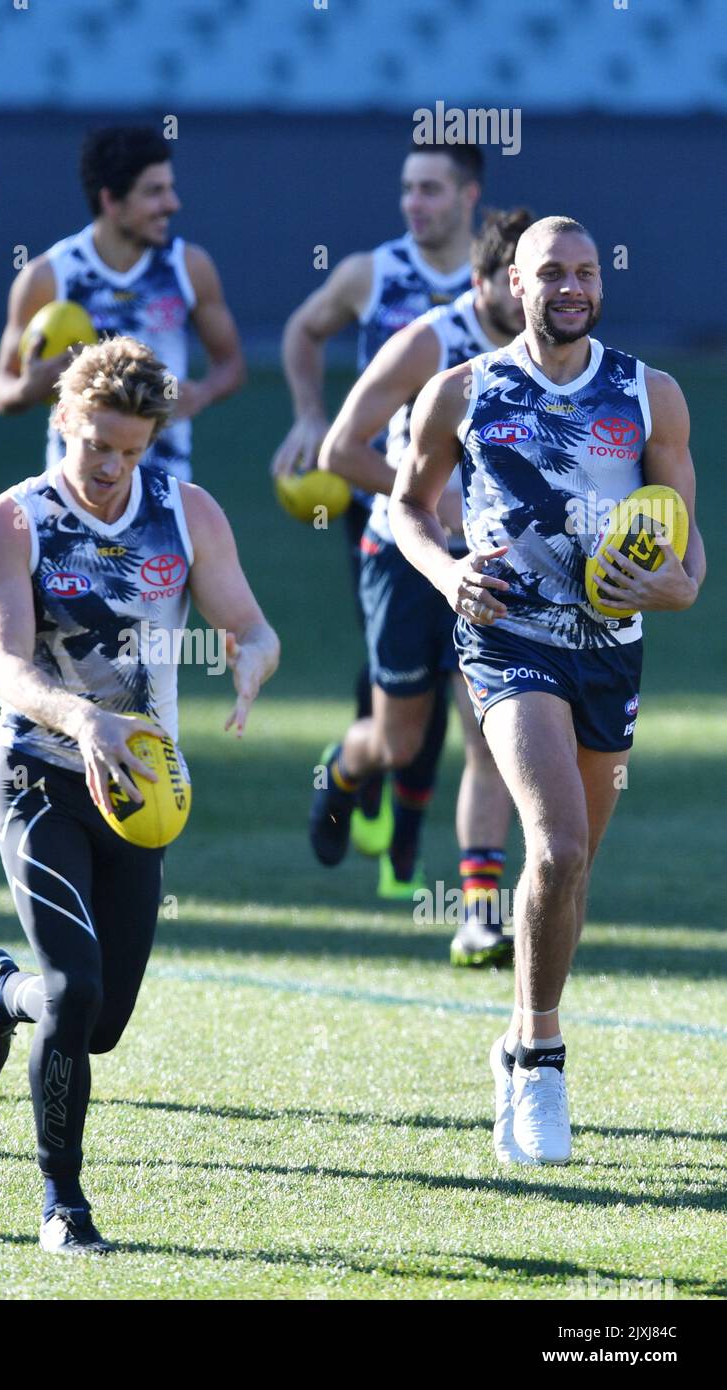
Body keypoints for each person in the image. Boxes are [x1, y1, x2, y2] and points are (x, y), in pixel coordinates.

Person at [389, 216, 704, 1163]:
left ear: (599, 287)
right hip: (506, 643)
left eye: (585, 272)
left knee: (570, 872)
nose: (570, 287)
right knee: (557, 841)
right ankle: (539, 1059)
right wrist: (448, 575)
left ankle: (519, 1033)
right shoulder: (461, 391)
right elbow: (404, 506)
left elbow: (687, 550)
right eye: (549, 274)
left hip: (611, 650)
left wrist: (676, 586)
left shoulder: (651, 395)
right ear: (511, 286)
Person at [0, 336, 278, 1253]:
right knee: (74, 988)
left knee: (98, 1024)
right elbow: (8, 669)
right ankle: (63, 1204)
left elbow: (250, 623)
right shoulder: (10, 523)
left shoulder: (187, 513)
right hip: (39, 780)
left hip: (143, 792)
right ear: (63, 418)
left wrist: (253, 659)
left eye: (131, 451)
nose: (110, 468)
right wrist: (83, 720)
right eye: (97, 444)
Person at [309, 209, 532, 966]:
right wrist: (427, 503)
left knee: (488, 729)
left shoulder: (550, 354)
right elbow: (340, 449)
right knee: (399, 740)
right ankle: (343, 768)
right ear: (481, 285)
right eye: (515, 290)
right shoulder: (430, 343)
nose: (531, 305)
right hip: (403, 557)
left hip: (491, 566)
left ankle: (477, 916)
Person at [272, 140, 483, 890]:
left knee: (476, 708)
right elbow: (303, 329)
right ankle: (349, 773)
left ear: (468, 196)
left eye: (429, 189)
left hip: (481, 538)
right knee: (401, 715)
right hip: (384, 520)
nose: (412, 203)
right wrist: (307, 416)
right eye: (406, 189)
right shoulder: (373, 272)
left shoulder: (502, 286)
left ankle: (429, 864)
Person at [0, 125, 245, 482]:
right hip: (74, 494)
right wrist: (30, 388)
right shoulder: (47, 277)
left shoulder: (190, 267)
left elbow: (231, 364)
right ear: (111, 200)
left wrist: (200, 394)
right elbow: (2, 390)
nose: (172, 204)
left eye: (170, 189)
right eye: (155, 192)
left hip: (165, 489)